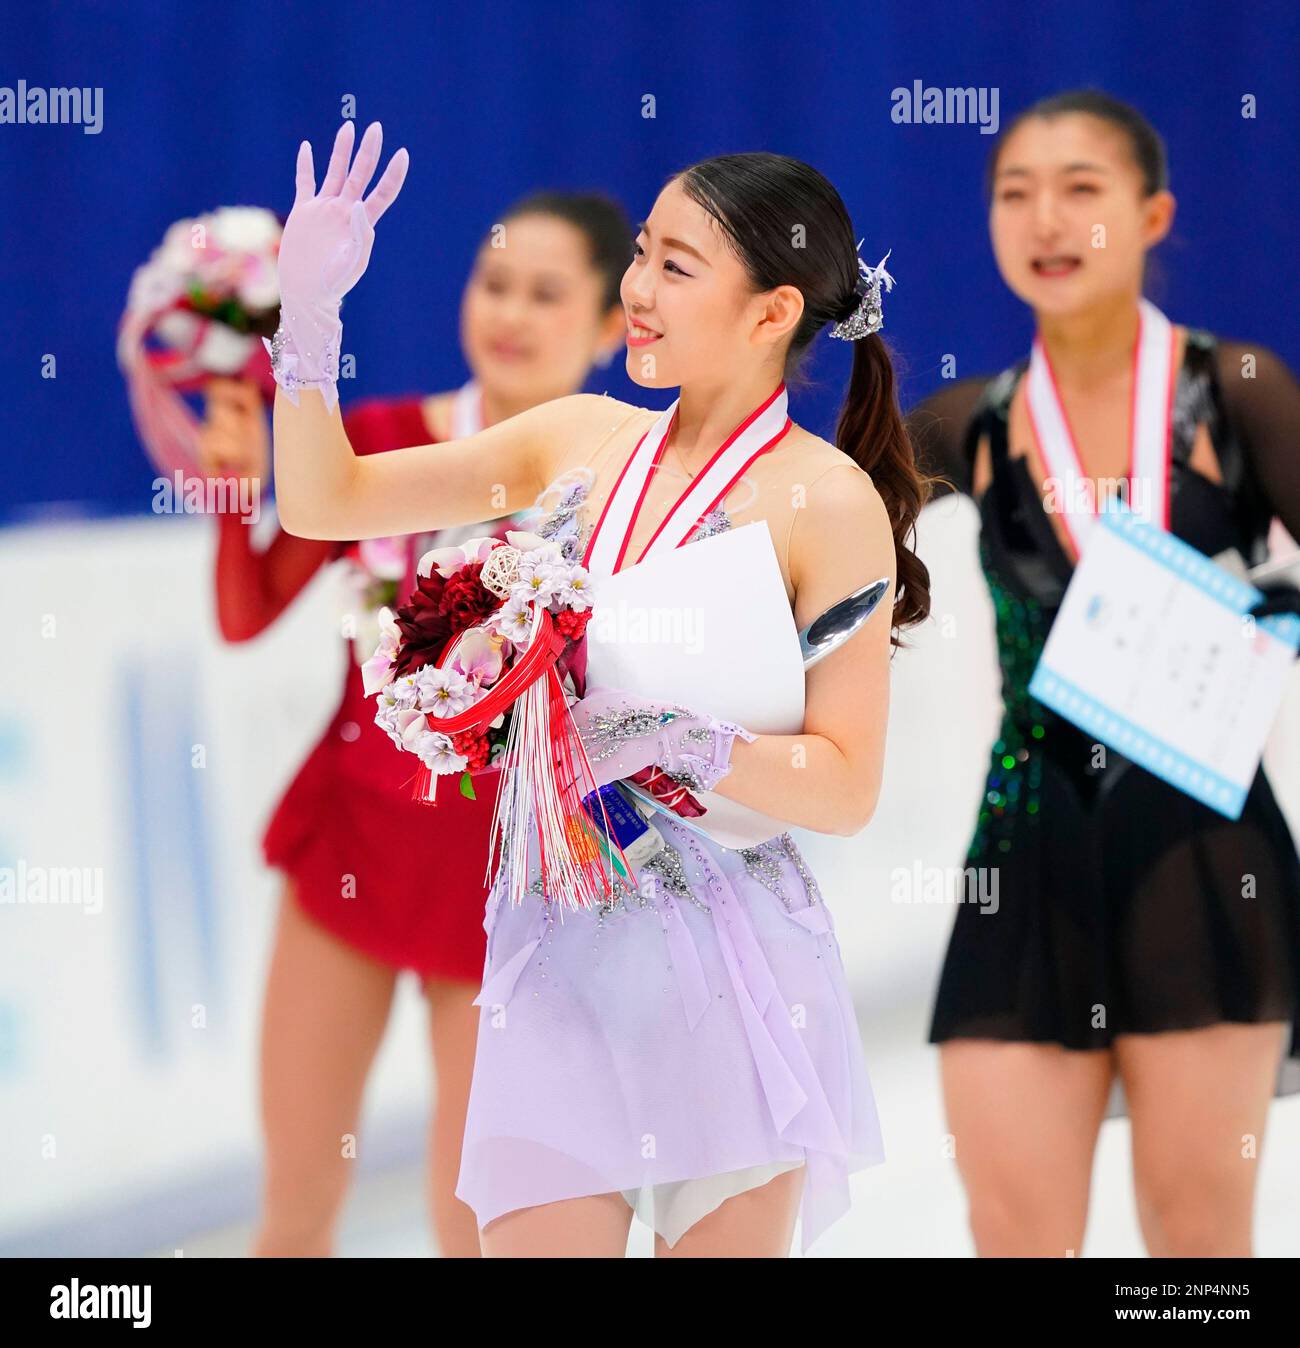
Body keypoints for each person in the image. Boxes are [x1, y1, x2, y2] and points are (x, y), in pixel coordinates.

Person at [263, 119, 931, 1257]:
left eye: (677, 266)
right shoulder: (577, 434)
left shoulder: (825, 500)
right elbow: (324, 501)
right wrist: (311, 319)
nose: (637, 289)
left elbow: (847, 784)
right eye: (638, 254)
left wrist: (686, 741)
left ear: (773, 311)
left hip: (731, 966)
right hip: (552, 946)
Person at [196, 182, 629, 1257]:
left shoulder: (618, 495)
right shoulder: (380, 442)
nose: (511, 314)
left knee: (469, 1226)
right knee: (295, 1203)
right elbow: (246, 614)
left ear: (612, 326)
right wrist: (227, 493)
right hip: (351, 847)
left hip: (508, 893)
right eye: (494, 284)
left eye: (545, 292)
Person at [906, 89, 1300, 1258]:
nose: (1046, 217)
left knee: (1193, 1251)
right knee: (1010, 1234)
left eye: (1081, 187)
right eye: (1015, 192)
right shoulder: (960, 423)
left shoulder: (1231, 385)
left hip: (1203, 854)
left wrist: (1263, 611)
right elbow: (806, 538)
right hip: (1021, 855)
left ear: (1151, 211)